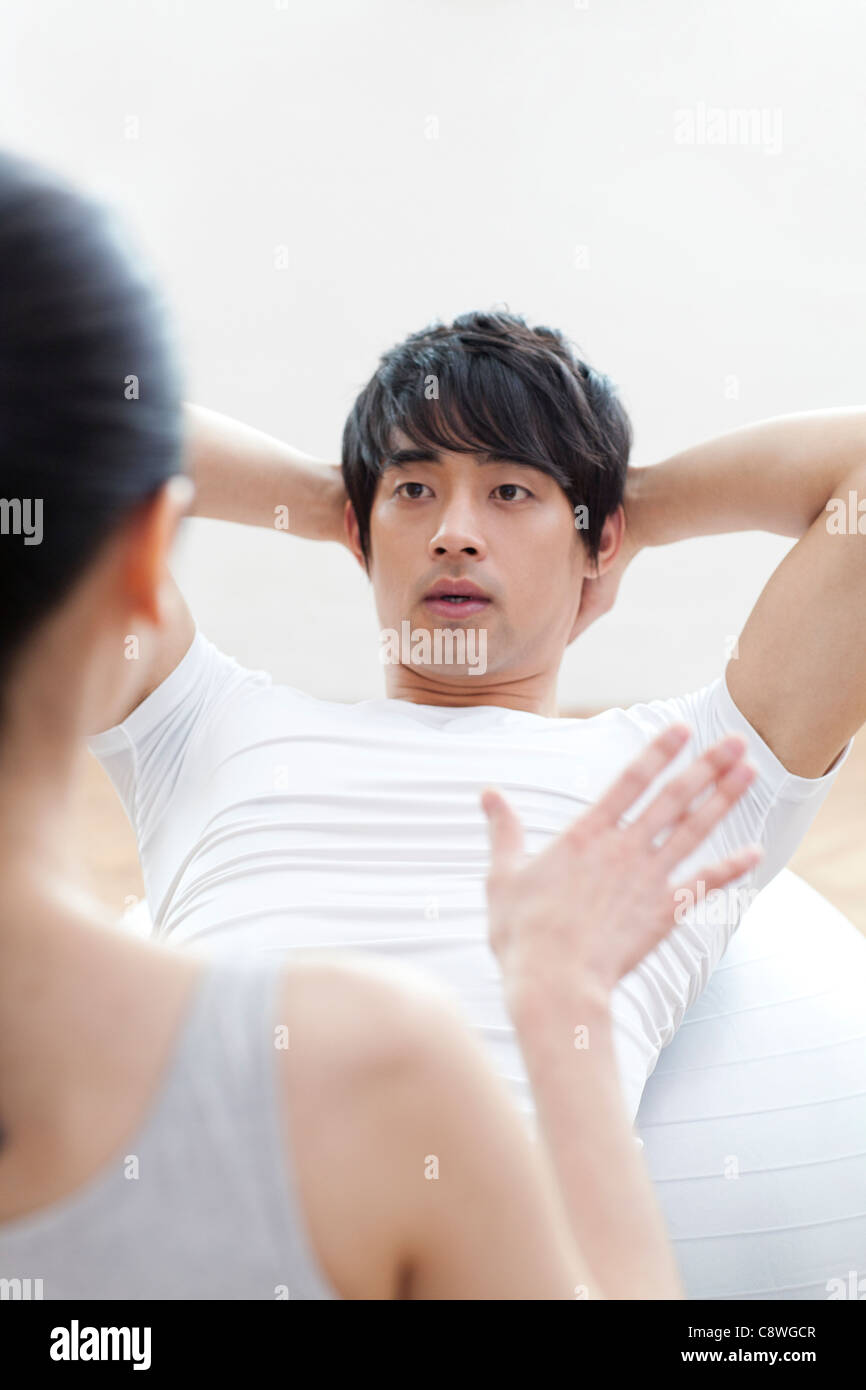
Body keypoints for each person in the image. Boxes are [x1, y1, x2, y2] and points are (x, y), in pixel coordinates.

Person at [0, 149, 766, 1300]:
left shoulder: (680, 774)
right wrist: (338, 502)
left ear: (591, 539)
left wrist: (624, 510)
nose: (454, 532)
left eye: (507, 493)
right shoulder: (204, 720)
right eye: (416, 492)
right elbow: (86, 432)